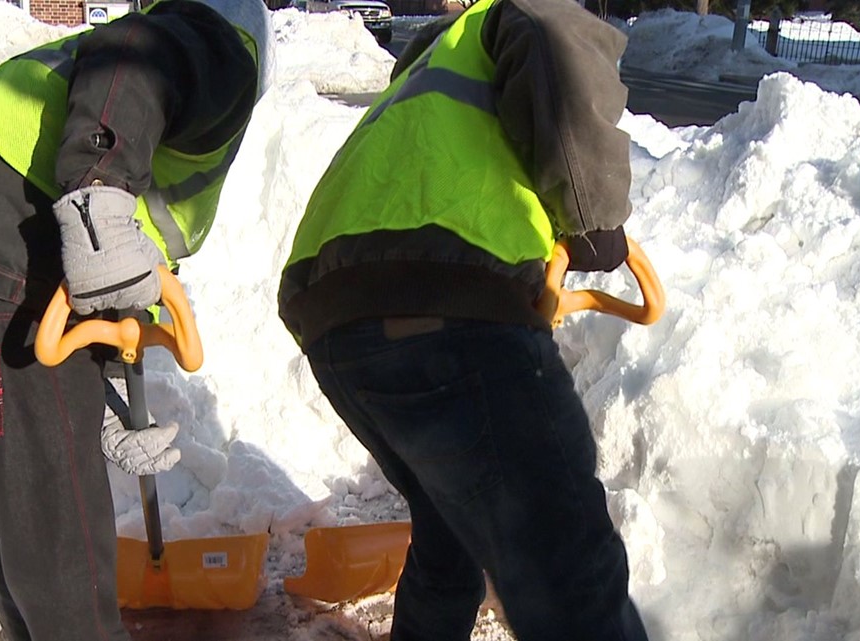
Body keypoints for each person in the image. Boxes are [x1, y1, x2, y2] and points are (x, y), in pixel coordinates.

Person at [0, 1, 270, 639]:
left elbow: (99, 275)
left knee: (22, 563)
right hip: (1, 274)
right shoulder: (218, 46)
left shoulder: (74, 74)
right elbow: (138, 49)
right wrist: (101, 197)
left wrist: (99, 402)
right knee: (69, 585)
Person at [278, 0, 649, 640]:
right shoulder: (525, 11)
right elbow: (557, 56)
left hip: (333, 315)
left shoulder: (440, 49)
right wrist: (594, 217)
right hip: (446, 302)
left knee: (449, 539)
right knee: (564, 562)